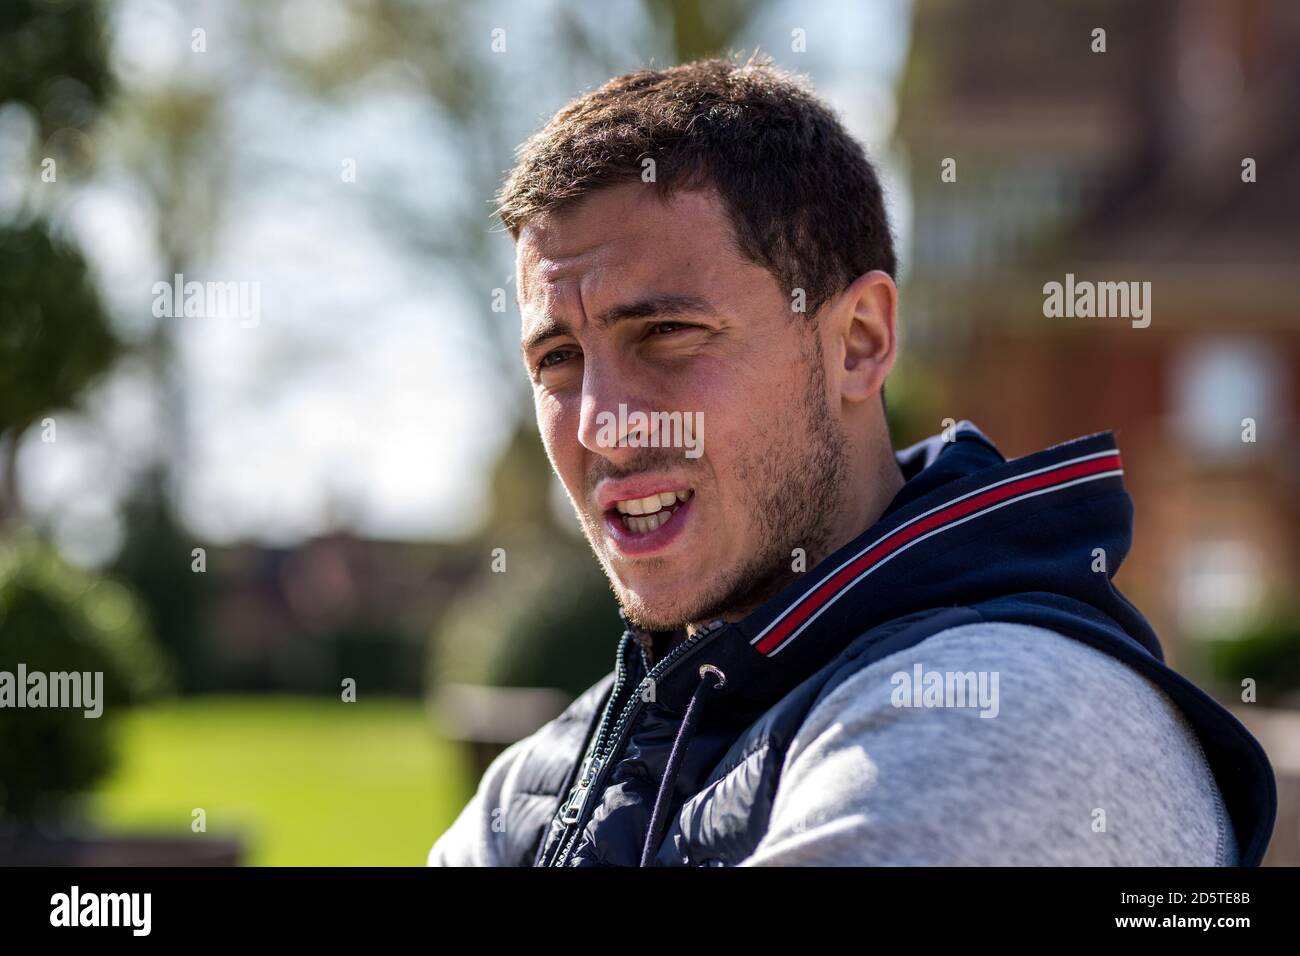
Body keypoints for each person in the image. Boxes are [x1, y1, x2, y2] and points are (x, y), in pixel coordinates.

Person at [428, 56, 1274, 867]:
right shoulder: (540, 783)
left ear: (859, 343)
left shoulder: (1002, 712)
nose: (603, 427)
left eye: (666, 333)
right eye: (558, 360)